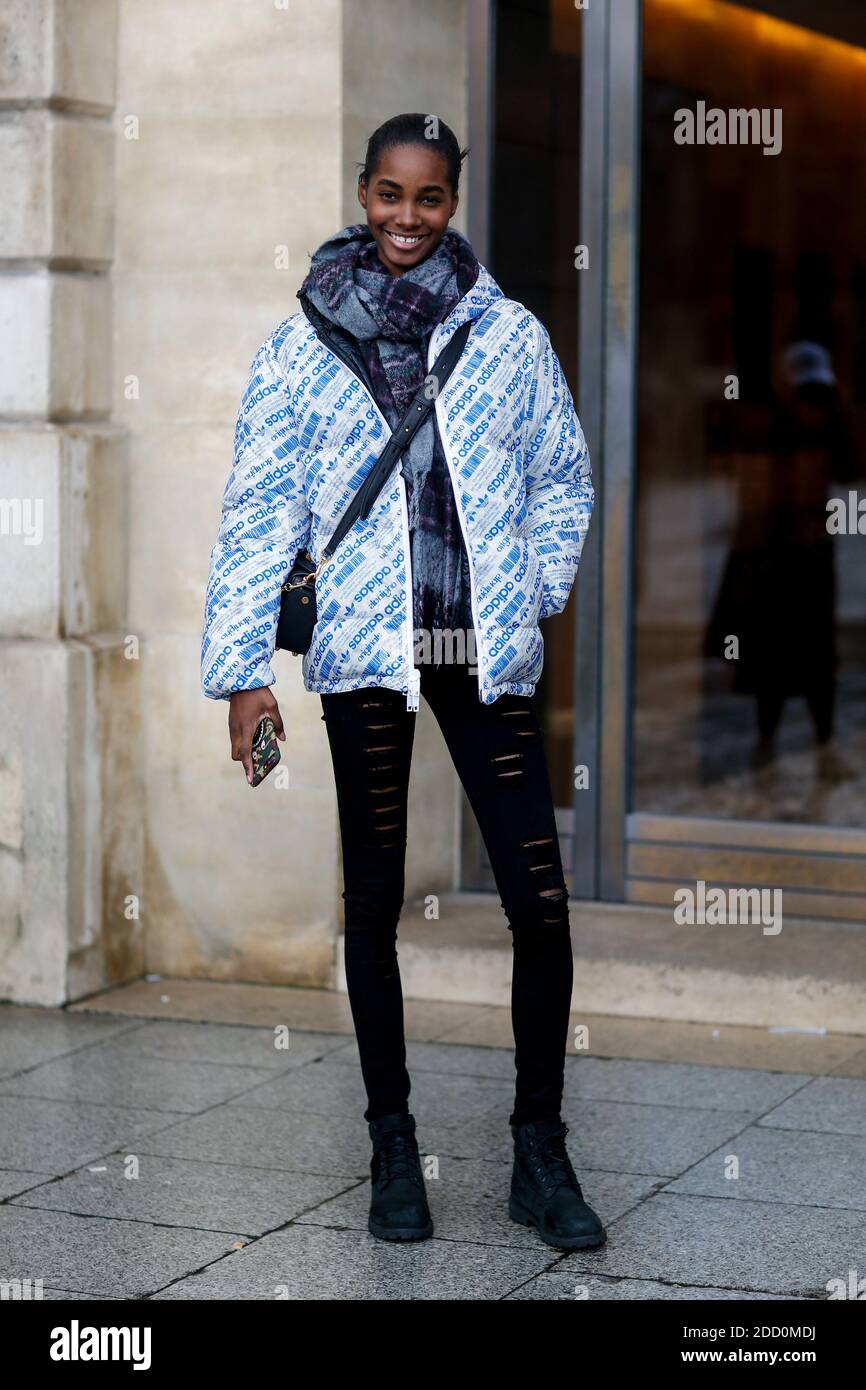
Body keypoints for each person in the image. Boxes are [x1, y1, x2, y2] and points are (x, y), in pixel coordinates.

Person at [201, 113, 602, 1250]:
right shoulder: (301, 343)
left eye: (428, 198)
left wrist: (530, 592)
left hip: (478, 651)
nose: (406, 219)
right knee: (371, 900)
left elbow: (559, 474)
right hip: (362, 652)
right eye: (389, 194)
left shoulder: (508, 336)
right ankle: (392, 1145)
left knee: (539, 901)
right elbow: (256, 512)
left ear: (453, 200)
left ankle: (538, 1149)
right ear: (362, 190)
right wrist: (243, 672)